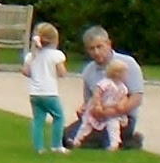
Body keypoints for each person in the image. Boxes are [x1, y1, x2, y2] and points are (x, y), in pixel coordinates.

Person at [64, 26, 144, 150]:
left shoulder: (127, 64)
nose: (96, 52)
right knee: (65, 136)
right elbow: (89, 101)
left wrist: (113, 112)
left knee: (94, 141)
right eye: (91, 49)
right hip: (96, 117)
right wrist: (83, 110)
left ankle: (131, 140)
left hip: (121, 117)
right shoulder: (88, 71)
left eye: (99, 47)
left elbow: (137, 98)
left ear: (108, 44)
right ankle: (121, 141)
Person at [22, 21, 68, 154]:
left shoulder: (32, 55)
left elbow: (25, 71)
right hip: (50, 92)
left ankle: (39, 147)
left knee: (38, 120)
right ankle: (56, 145)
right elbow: (62, 72)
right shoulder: (56, 55)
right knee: (59, 117)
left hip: (35, 93)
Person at [71, 59, 131, 151]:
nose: (126, 75)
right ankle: (77, 140)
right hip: (98, 107)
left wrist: (121, 103)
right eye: (124, 73)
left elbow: (124, 96)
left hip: (112, 108)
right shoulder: (105, 83)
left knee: (113, 125)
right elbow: (97, 94)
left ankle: (114, 143)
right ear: (117, 73)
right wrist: (98, 105)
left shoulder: (122, 87)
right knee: (86, 124)